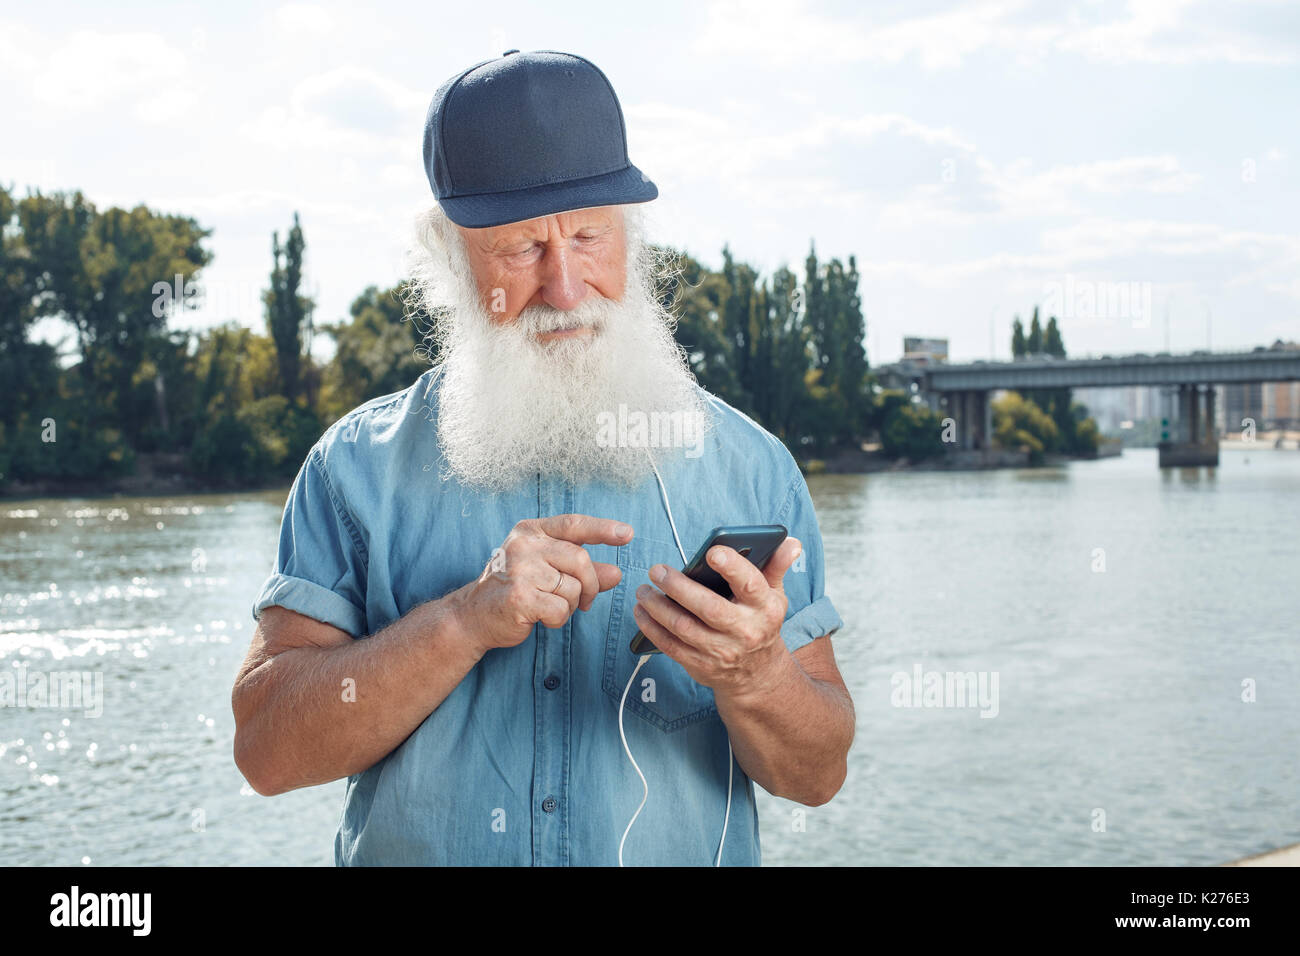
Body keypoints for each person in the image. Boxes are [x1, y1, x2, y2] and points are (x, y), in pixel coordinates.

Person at [232, 49, 854, 866]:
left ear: (632, 237)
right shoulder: (353, 468)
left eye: (590, 236)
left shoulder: (754, 466)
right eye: (521, 249)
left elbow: (818, 776)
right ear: (450, 256)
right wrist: (460, 622)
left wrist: (757, 675)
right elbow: (268, 754)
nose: (565, 287)